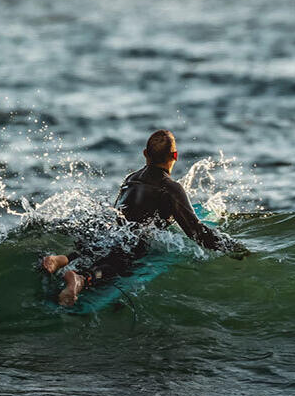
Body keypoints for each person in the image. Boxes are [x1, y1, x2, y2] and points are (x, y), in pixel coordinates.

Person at [42, 130, 248, 306]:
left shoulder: (131, 178)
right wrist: (233, 248)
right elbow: (197, 232)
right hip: (133, 241)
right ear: (175, 156)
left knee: (102, 245)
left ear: (145, 154)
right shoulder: (170, 188)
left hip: (113, 230)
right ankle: (81, 280)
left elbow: (117, 214)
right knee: (119, 263)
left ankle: (63, 259)